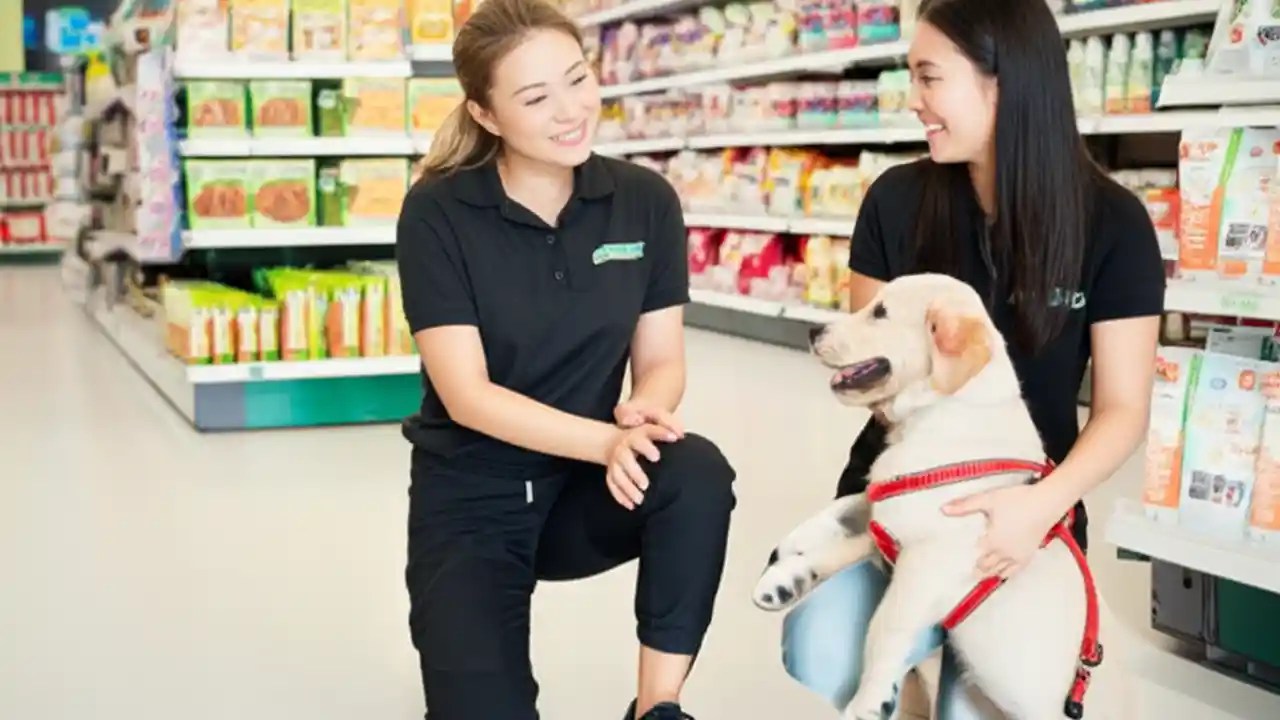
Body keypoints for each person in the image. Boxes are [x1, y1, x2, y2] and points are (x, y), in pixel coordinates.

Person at [778, 0, 1165, 716]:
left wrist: (1038, 507)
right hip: (904, 506)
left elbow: (1121, 410)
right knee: (821, 650)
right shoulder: (896, 202)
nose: (914, 100)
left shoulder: (1114, 224)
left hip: (1023, 523)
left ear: (1004, 82)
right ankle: (914, 676)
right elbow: (867, 379)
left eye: (930, 78)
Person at [393, 1, 736, 719]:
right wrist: (606, 440)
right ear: (486, 116)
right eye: (535, 97)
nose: (571, 110)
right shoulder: (438, 213)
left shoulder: (643, 201)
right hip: (472, 498)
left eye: (577, 79)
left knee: (695, 471)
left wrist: (649, 407)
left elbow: (662, 356)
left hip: (586, 488)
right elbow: (467, 396)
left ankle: (657, 708)